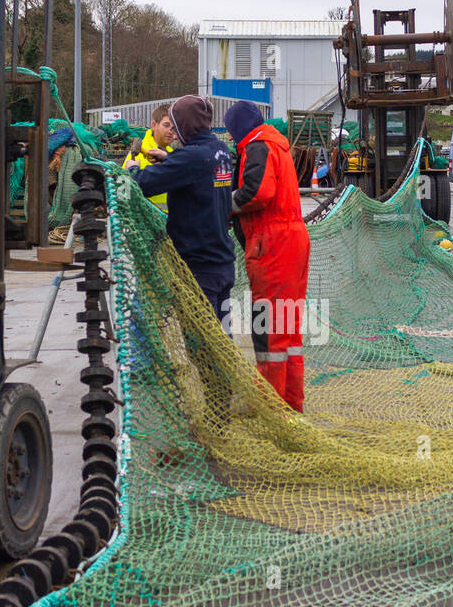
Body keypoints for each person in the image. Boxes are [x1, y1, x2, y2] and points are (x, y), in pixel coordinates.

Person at [222, 100, 311, 412]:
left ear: (238, 130)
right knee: (287, 328)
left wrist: (223, 204)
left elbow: (257, 193)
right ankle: (290, 403)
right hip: (290, 242)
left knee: (268, 329)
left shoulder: (257, 145)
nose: (233, 141)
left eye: (232, 135)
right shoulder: (276, 145)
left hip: (272, 245)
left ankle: (269, 408)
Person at [127, 95, 236, 327]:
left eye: (176, 127)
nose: (174, 134)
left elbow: (143, 184)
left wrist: (132, 170)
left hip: (200, 267)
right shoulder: (220, 150)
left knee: (203, 344)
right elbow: (198, 171)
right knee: (223, 340)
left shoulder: (191, 158)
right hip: (223, 263)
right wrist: (170, 159)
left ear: (187, 125)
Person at [122, 104, 175, 211]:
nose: (171, 131)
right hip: (148, 223)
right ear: (154, 125)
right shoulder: (138, 155)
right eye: (166, 125)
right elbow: (122, 194)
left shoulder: (172, 154)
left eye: (173, 127)